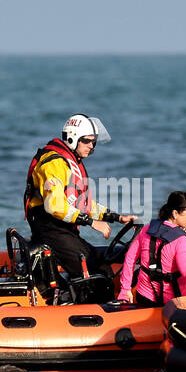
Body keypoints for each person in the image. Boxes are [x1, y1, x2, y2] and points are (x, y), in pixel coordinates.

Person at [23, 113, 136, 279]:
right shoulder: (55, 164)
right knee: (97, 271)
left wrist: (117, 218)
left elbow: (82, 203)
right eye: (86, 141)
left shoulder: (71, 163)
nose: (91, 145)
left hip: (62, 230)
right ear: (72, 139)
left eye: (93, 141)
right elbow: (55, 207)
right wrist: (90, 222)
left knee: (100, 263)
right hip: (50, 230)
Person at [116, 191, 186, 307]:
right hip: (173, 301)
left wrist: (125, 289)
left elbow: (130, 258)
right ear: (175, 213)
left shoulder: (147, 229)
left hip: (144, 296)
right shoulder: (181, 240)